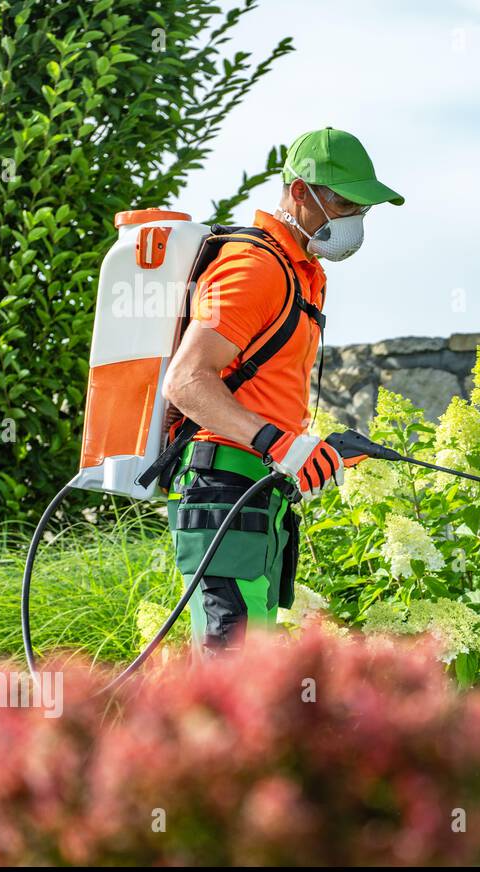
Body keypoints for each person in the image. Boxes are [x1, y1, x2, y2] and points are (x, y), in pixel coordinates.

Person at [160, 127, 403, 651]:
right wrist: (279, 442)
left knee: (255, 680)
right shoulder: (256, 268)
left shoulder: (299, 272)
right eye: (344, 202)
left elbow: (260, 390)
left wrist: (306, 450)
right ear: (299, 192)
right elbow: (185, 381)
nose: (355, 219)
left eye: (364, 207)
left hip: (256, 498)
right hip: (224, 495)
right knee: (234, 684)